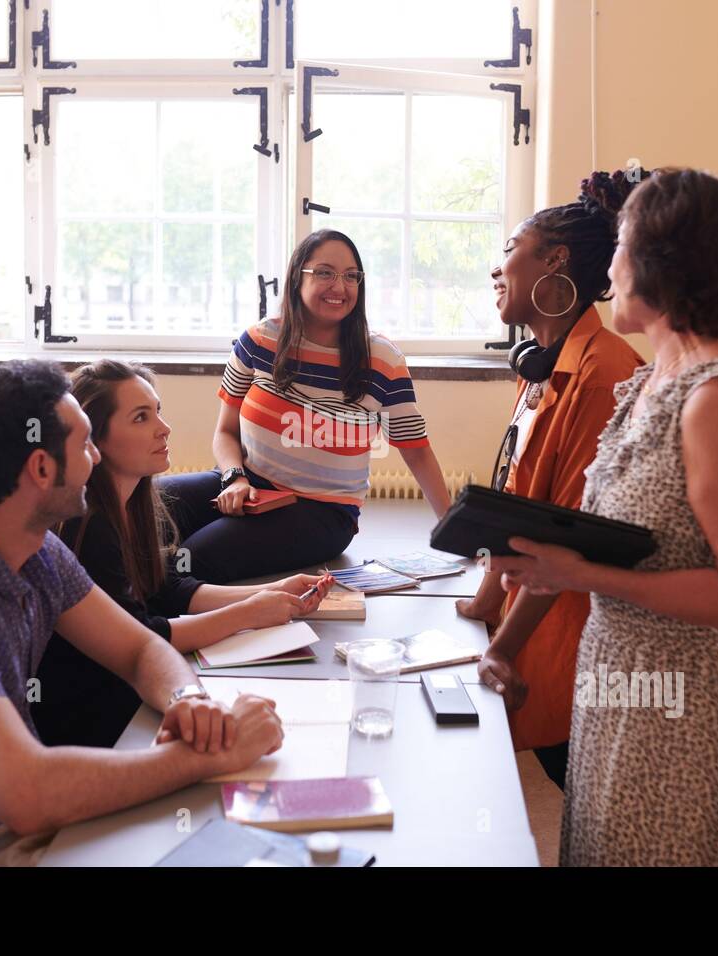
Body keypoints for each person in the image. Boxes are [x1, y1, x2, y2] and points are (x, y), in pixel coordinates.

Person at [0, 360, 284, 866]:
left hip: (10, 823)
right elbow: (28, 797)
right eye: (84, 444)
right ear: (41, 469)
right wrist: (209, 755)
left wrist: (189, 701)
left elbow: (139, 648)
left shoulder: (32, 545)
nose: (96, 456)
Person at [490, 168, 718, 865]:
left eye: (622, 247)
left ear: (665, 264)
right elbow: (596, 540)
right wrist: (526, 611)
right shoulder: (647, 383)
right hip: (618, 693)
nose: (611, 265)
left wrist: (582, 571)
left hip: (687, 718)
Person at [33, 359, 334, 748]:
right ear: (94, 439)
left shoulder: (136, 504)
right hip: (93, 720)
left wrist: (275, 594)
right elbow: (143, 635)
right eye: (141, 418)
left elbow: (167, 589)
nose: (164, 428)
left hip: (131, 694)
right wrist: (248, 614)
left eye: (158, 411)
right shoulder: (88, 526)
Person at [460, 170, 647, 789]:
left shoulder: (603, 376)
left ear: (555, 262)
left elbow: (565, 536)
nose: (497, 269)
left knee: (590, 792)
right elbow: (517, 504)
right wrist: (484, 608)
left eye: (510, 250)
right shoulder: (540, 368)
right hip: (531, 609)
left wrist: (502, 647)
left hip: (578, 631)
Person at [158, 229, 453, 584]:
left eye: (350, 276)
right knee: (141, 508)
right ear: (297, 277)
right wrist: (233, 477)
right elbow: (225, 432)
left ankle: (160, 629)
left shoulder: (383, 359)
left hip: (322, 512)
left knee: (190, 558)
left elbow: (417, 452)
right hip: (247, 484)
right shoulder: (258, 340)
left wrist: (452, 530)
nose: (339, 287)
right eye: (325, 272)